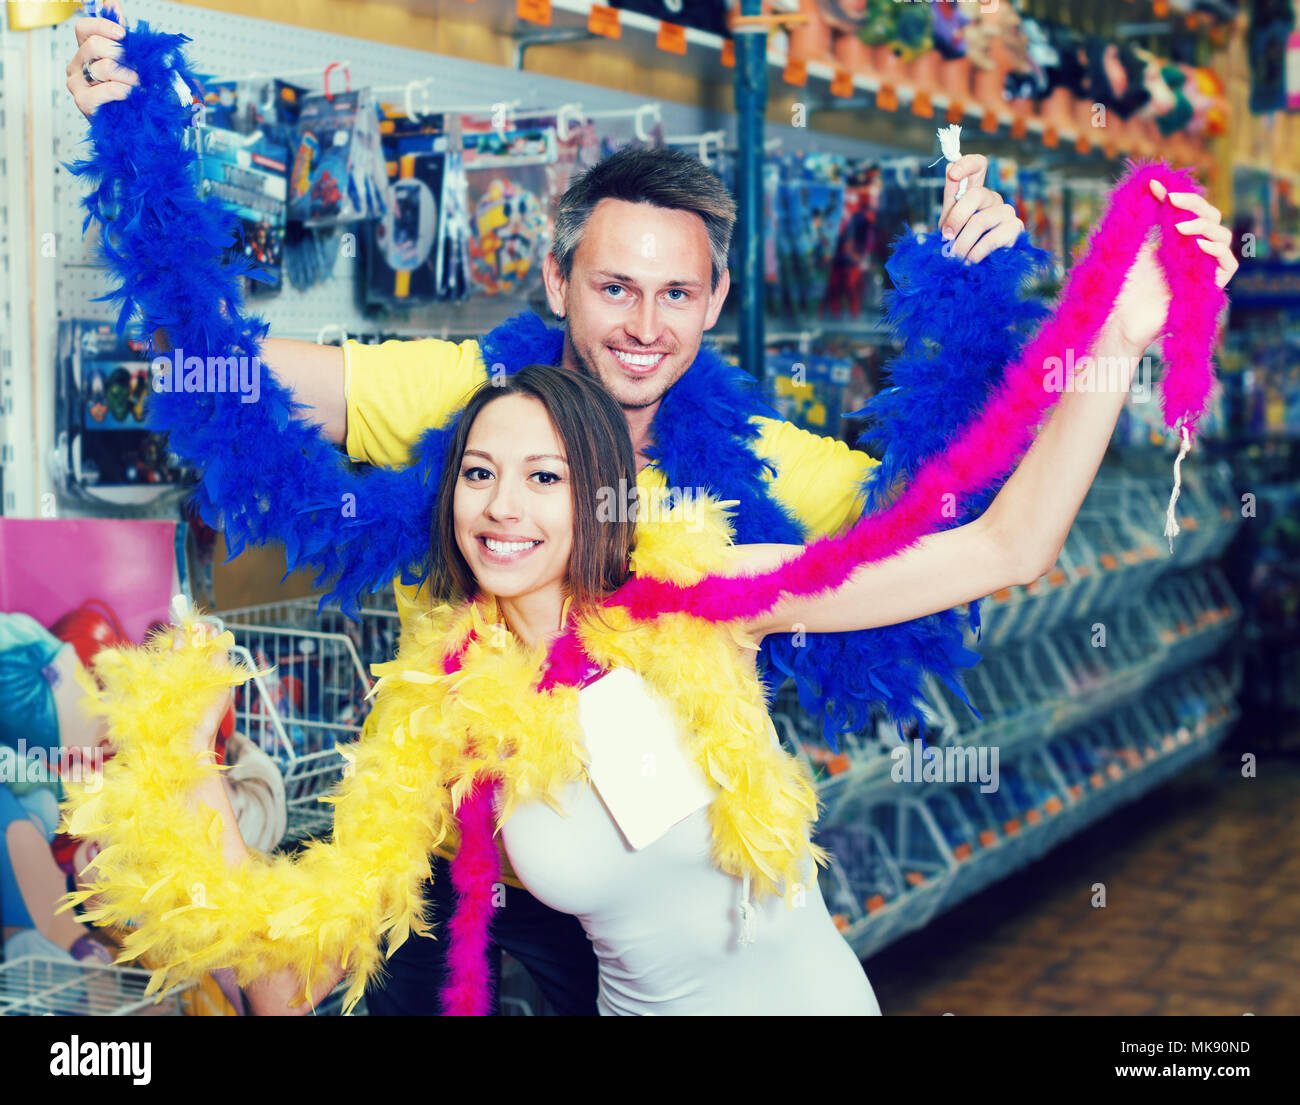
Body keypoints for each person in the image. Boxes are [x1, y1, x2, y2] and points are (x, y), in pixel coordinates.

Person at [62, 5, 1237, 1015]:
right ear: (556, 282)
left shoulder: (712, 591)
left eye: (545, 478)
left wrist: (1107, 327)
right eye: (476, 473)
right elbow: (288, 972)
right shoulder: (447, 708)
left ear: (612, 499)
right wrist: (182, 771)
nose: (506, 505)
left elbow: (993, 535)